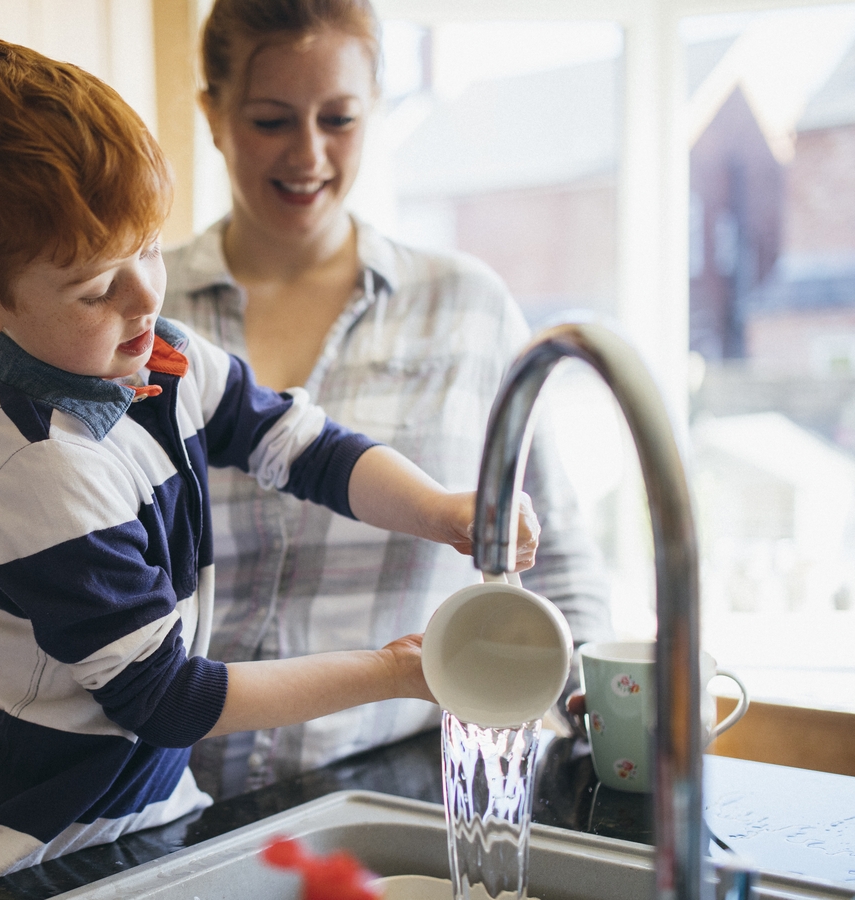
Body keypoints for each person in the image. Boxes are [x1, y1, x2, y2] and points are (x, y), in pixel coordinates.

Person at [0, 34, 539, 894]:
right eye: (94, 286)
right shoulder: (41, 475)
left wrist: (443, 510)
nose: (144, 296)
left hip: (149, 815)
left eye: (148, 249)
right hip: (38, 847)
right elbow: (170, 699)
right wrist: (392, 674)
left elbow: (306, 447)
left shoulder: (157, 358)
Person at [162, 0, 614, 801]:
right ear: (213, 113)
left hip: (407, 783)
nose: (309, 154)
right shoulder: (142, 317)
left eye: (339, 119)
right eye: (271, 120)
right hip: (174, 795)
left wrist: (603, 724)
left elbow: (558, 557)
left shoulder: (467, 307)